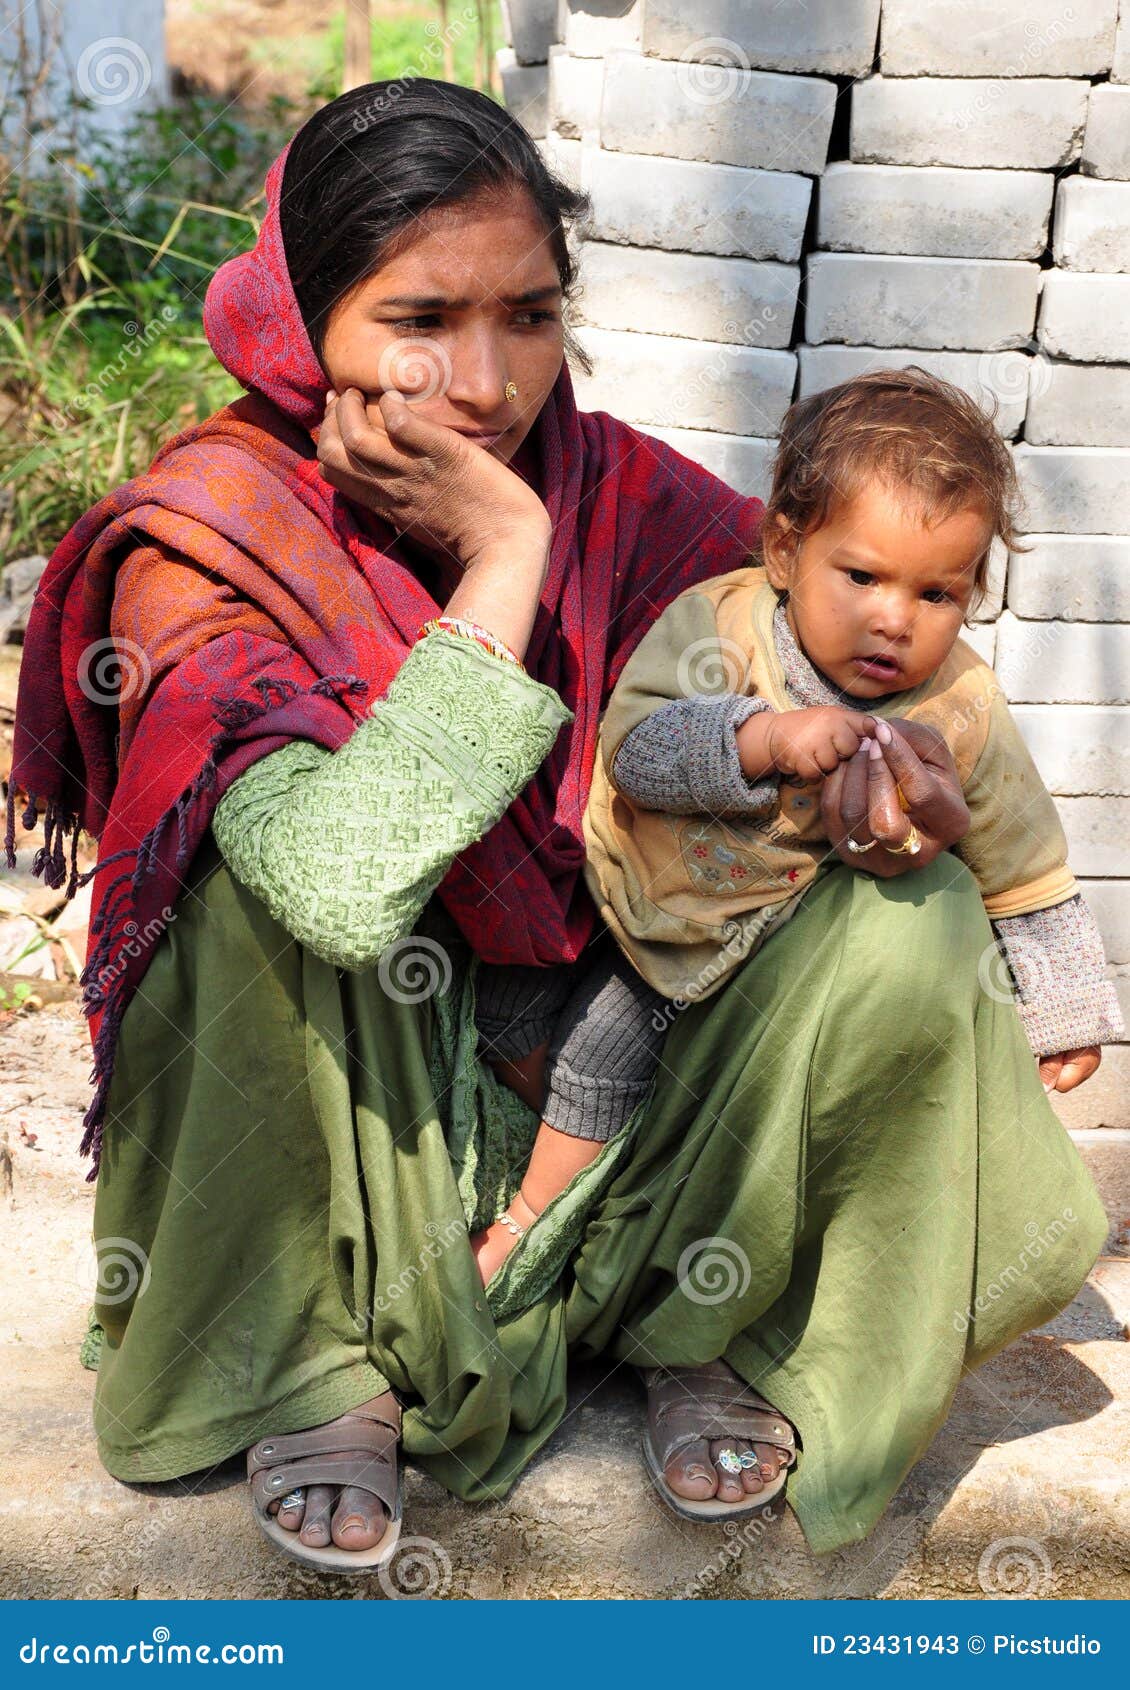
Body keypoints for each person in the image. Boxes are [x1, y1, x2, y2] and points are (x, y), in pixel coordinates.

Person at [7, 84, 1107, 1572]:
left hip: (617, 1095)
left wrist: (880, 794)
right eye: (418, 317)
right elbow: (342, 880)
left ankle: (695, 1311)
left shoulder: (633, 499)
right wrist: (501, 555)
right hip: (356, 1133)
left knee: (905, 922)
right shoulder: (213, 535)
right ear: (301, 317)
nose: (483, 382)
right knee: (240, 885)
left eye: (528, 314)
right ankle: (318, 1353)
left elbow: (839, 656)